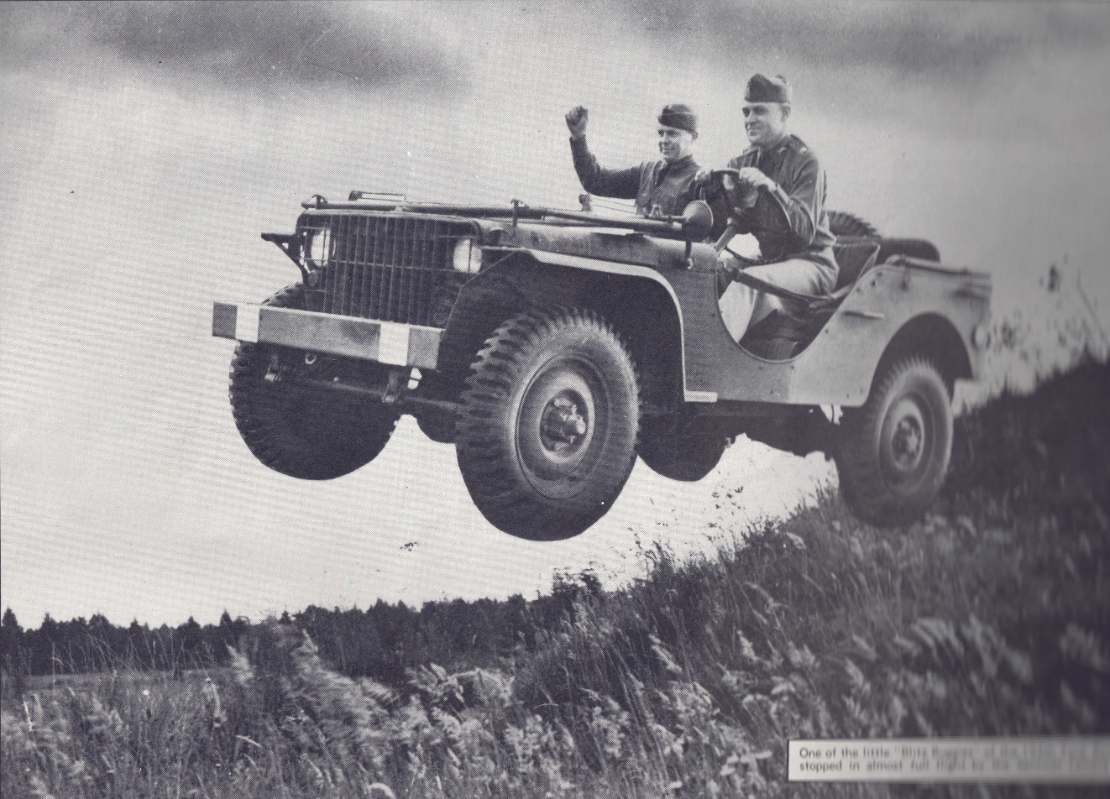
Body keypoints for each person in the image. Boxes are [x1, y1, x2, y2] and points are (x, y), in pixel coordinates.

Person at [712, 74, 838, 342]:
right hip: (773, 262)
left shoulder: (806, 162)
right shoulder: (745, 159)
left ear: (784, 114)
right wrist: (726, 192)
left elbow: (803, 232)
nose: (749, 119)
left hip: (812, 265)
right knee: (709, 273)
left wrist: (770, 188)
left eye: (759, 111)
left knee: (747, 282)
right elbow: (736, 219)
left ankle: (707, 366)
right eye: (746, 111)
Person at [565, 103, 702, 218]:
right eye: (661, 133)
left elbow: (710, 239)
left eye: (672, 134)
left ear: (693, 137)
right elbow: (596, 180)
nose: (664, 141)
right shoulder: (647, 172)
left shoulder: (700, 182)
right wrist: (578, 136)